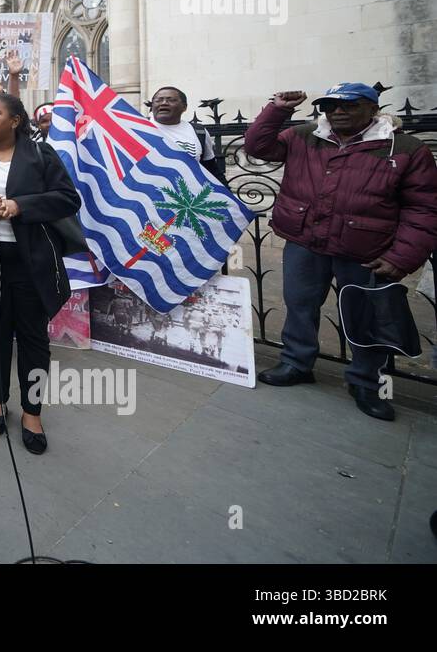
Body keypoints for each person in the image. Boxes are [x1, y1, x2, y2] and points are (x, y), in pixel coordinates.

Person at [246, 84, 437, 420]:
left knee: (367, 316)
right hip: (306, 243)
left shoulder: (405, 148)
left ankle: (365, 381)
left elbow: (423, 208)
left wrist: (400, 257)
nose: (338, 112)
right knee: (300, 306)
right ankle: (296, 362)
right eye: (330, 105)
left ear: (372, 108)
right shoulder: (305, 135)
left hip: (367, 250)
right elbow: (257, 146)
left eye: (349, 105)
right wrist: (278, 109)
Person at [0, 93, 80, 455]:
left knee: (32, 338)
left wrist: (20, 206)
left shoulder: (39, 155)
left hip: (31, 262)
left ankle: (31, 411)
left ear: (15, 121)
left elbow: (68, 199)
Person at [149, 86, 224, 181]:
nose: (164, 103)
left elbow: (212, 170)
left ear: (184, 107)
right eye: (158, 100)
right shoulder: (138, 128)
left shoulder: (199, 132)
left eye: (171, 100)